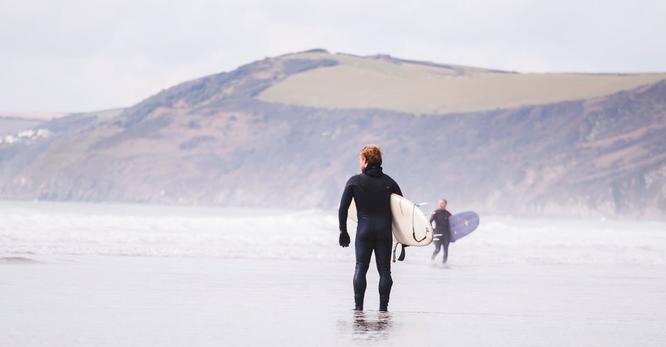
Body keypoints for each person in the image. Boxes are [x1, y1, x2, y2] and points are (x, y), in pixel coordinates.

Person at [338, 145, 402, 312]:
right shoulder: (390, 182)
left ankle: (358, 308)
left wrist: (343, 231)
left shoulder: (354, 181)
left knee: (361, 267)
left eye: (360, 159)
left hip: (364, 230)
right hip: (384, 231)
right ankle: (383, 309)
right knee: (385, 271)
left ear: (365, 160)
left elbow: (343, 208)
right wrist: (404, 240)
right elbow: (403, 211)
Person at [430, 199, 452, 263]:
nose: (440, 204)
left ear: (445, 204)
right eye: (440, 203)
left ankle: (444, 265)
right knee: (437, 249)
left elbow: (454, 223)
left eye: (442, 203)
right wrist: (432, 231)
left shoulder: (448, 213)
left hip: (446, 234)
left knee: (446, 250)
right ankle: (432, 261)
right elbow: (430, 222)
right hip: (437, 234)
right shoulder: (436, 212)